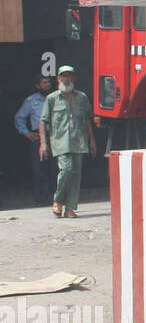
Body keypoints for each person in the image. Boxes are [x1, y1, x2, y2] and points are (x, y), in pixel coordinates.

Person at [39, 66, 95, 219]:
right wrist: (43, 143)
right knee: (67, 169)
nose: (67, 79)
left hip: (79, 140)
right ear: (58, 79)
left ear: (74, 78)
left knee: (76, 175)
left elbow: (87, 120)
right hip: (60, 141)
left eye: (69, 76)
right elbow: (43, 121)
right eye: (64, 76)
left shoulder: (81, 97)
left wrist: (92, 140)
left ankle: (70, 208)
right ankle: (58, 200)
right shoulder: (52, 98)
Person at [14, 75, 56, 207]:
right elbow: (19, 117)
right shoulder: (31, 100)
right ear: (37, 86)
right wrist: (26, 132)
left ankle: (57, 197)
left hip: (56, 135)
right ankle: (41, 198)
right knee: (39, 168)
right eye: (44, 83)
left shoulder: (56, 98)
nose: (47, 85)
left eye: (48, 82)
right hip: (38, 136)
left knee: (56, 167)